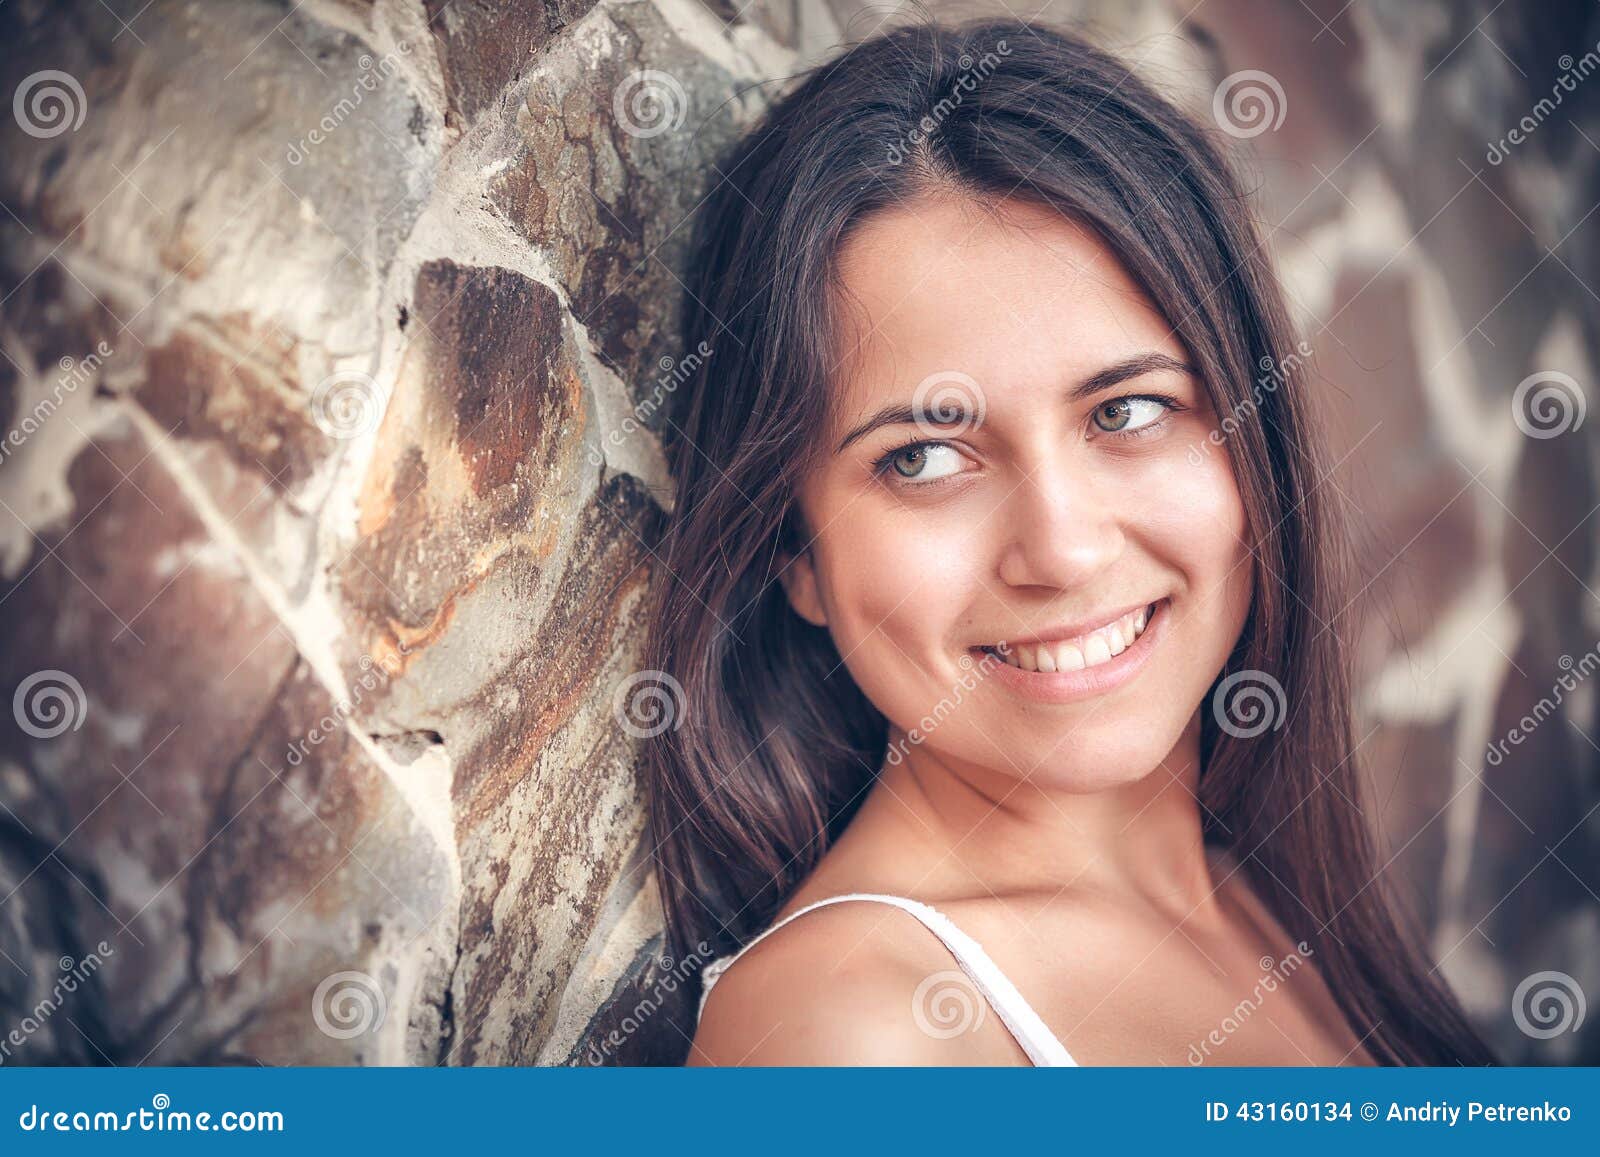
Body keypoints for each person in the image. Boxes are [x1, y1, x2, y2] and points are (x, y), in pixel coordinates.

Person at [641, 14, 1497, 1067]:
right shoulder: (849, 1032)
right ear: (795, 552)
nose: (1062, 549)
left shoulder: (1270, 892)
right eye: (920, 457)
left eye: (1128, 412)